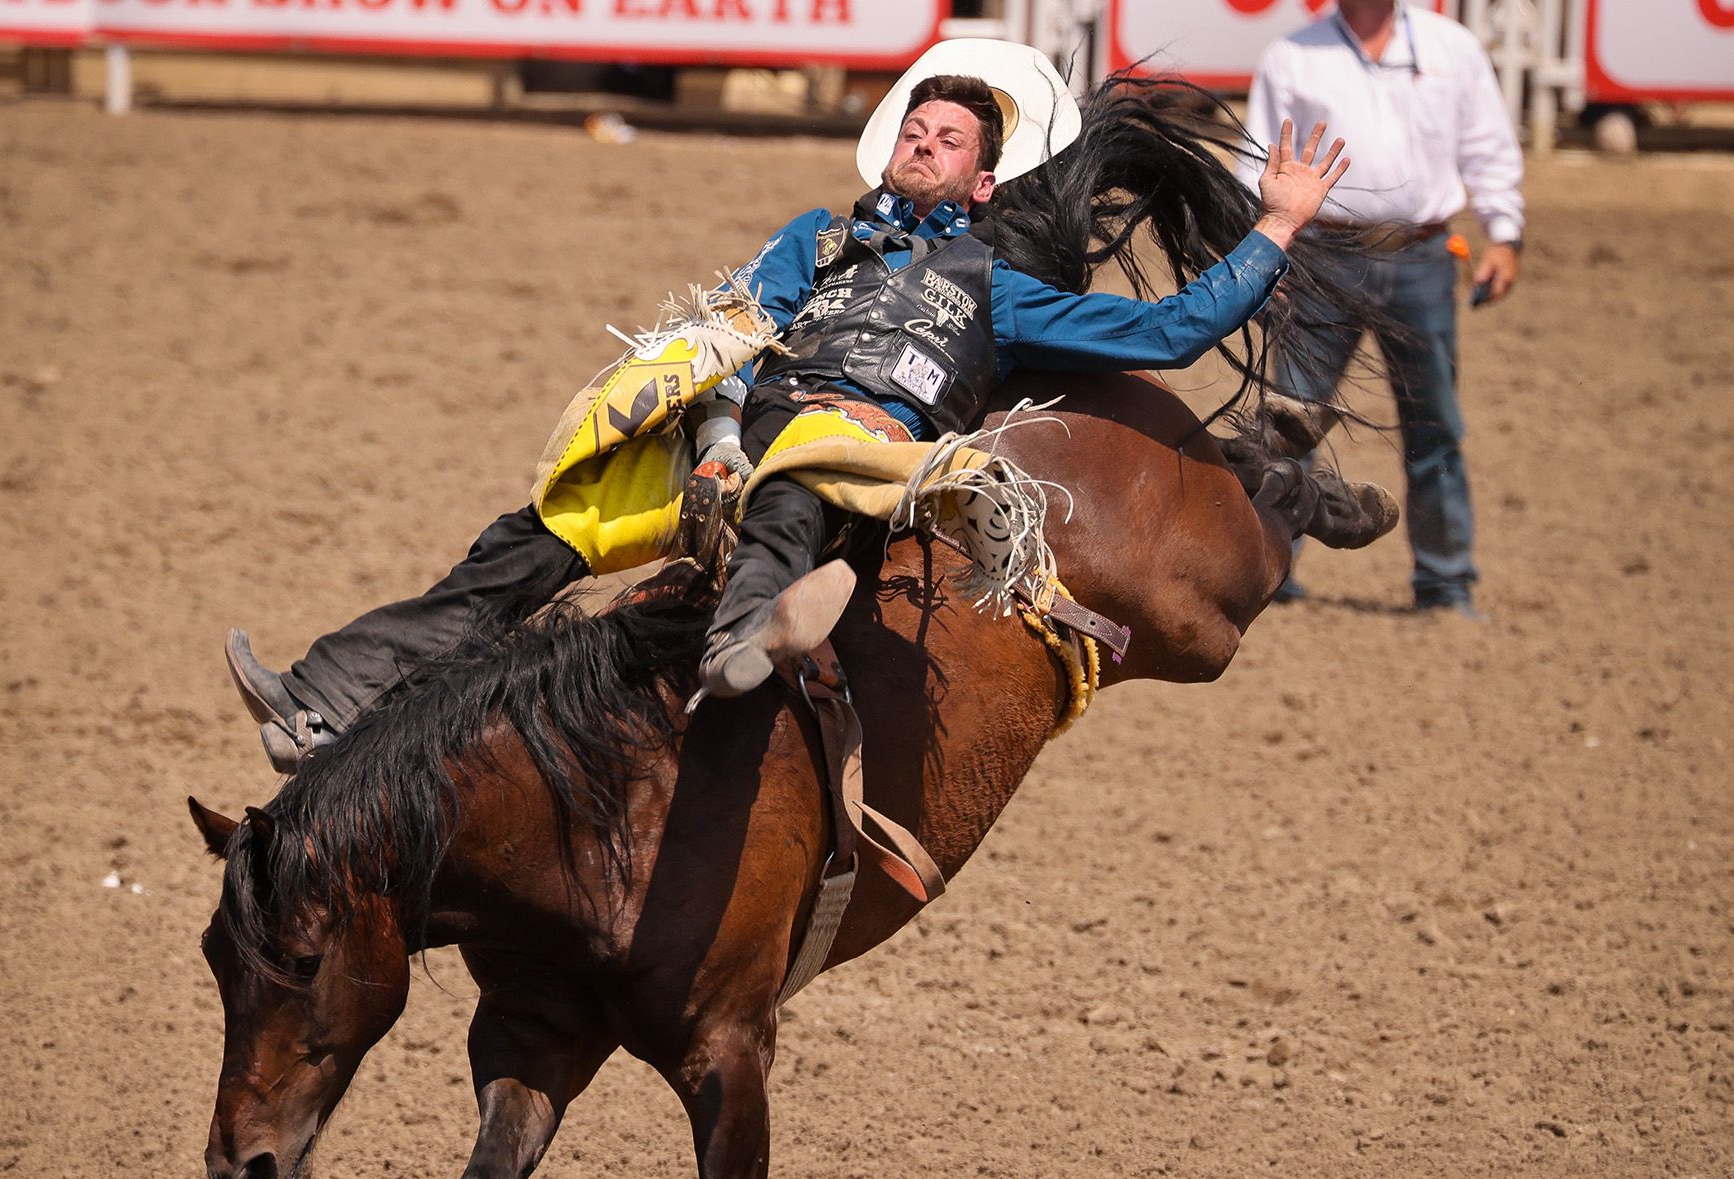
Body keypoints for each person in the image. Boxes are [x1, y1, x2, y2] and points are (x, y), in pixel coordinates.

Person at [227, 40, 1355, 772]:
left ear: (979, 184)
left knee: (809, 467)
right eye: (912, 129)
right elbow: (728, 335)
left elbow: (1164, 334)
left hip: (860, 447)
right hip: (732, 441)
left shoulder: (995, 294)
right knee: (540, 534)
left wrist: (1276, 226)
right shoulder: (808, 241)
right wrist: (711, 438)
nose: (920, 144)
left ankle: (742, 640)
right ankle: (328, 692)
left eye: (945, 141)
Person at [1237, 0, 1524, 616]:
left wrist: (1505, 233)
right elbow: (1257, 162)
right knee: (1289, 417)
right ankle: (1265, 571)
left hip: (1421, 255)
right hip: (1320, 256)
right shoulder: (1292, 57)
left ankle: (1445, 582)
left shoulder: (1454, 50)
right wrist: (1262, 251)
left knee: (1434, 423)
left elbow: (1488, 146)